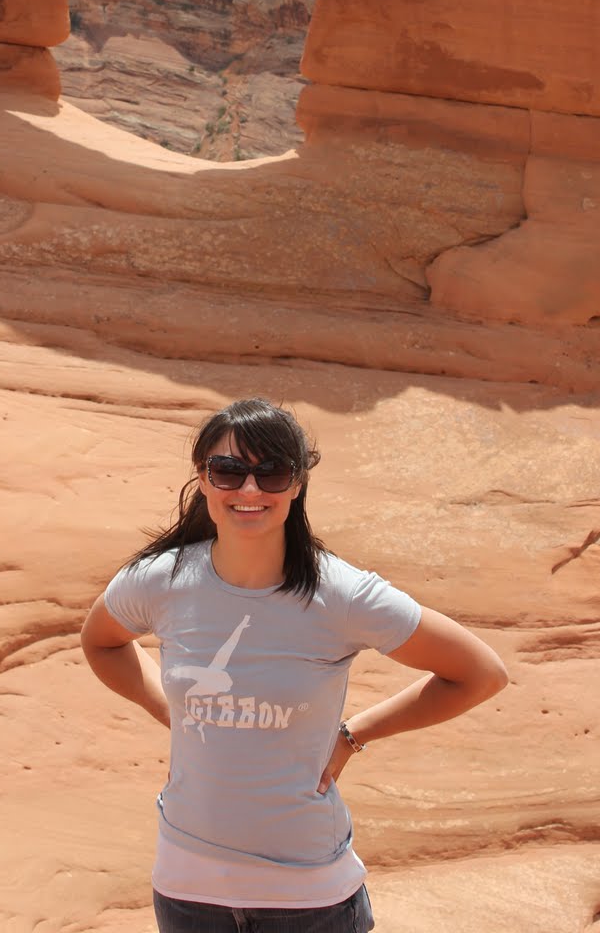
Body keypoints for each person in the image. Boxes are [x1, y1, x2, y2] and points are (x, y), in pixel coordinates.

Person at [81, 397, 508, 932]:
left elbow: (480, 673)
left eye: (272, 473)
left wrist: (355, 734)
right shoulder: (160, 581)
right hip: (187, 888)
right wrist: (167, 708)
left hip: (309, 898)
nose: (250, 490)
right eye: (229, 472)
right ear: (204, 479)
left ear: (298, 483)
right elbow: (101, 641)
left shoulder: (343, 595)